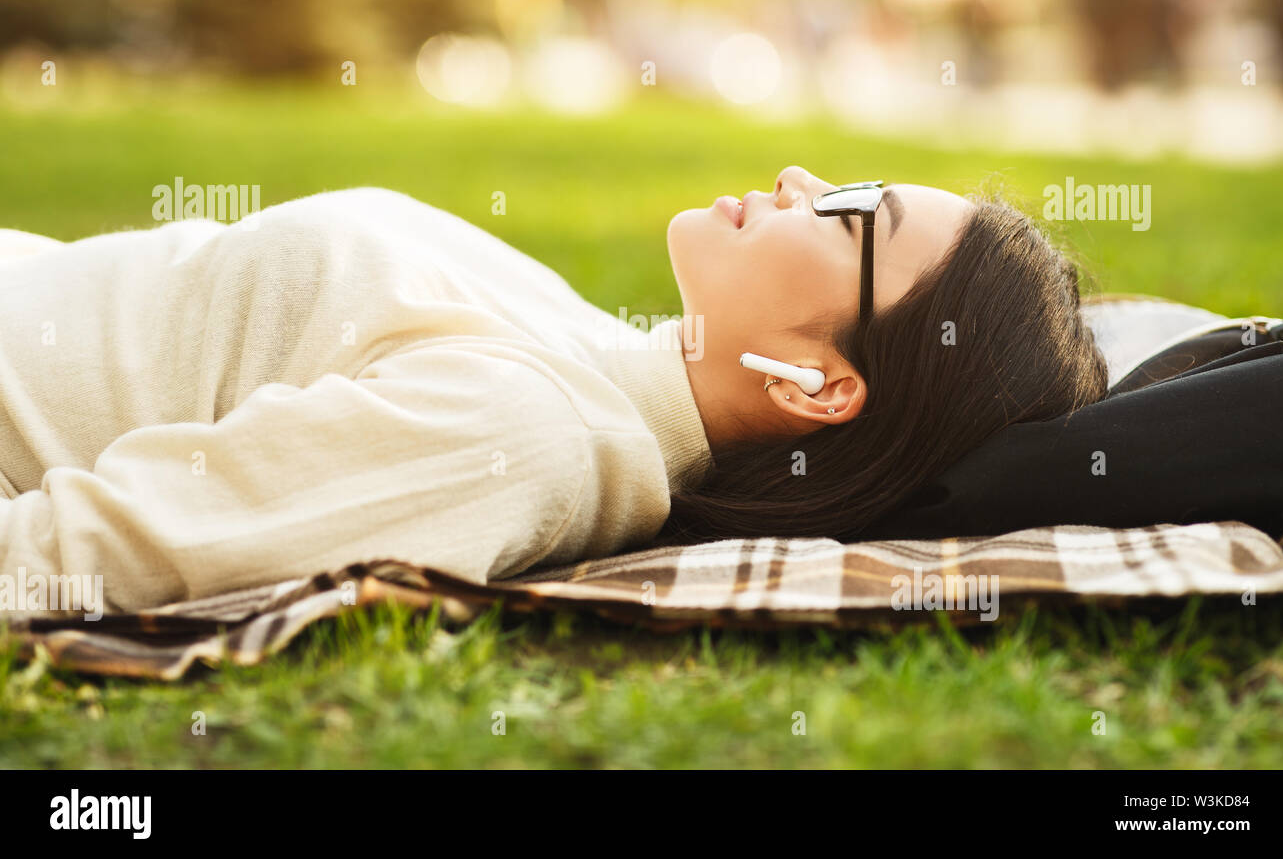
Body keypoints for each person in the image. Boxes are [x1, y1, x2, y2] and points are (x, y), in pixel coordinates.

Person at [0, 167, 1107, 613]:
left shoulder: (517, 434)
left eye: (852, 214)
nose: (798, 180)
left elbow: (76, 554)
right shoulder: (582, 338)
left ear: (820, 386)